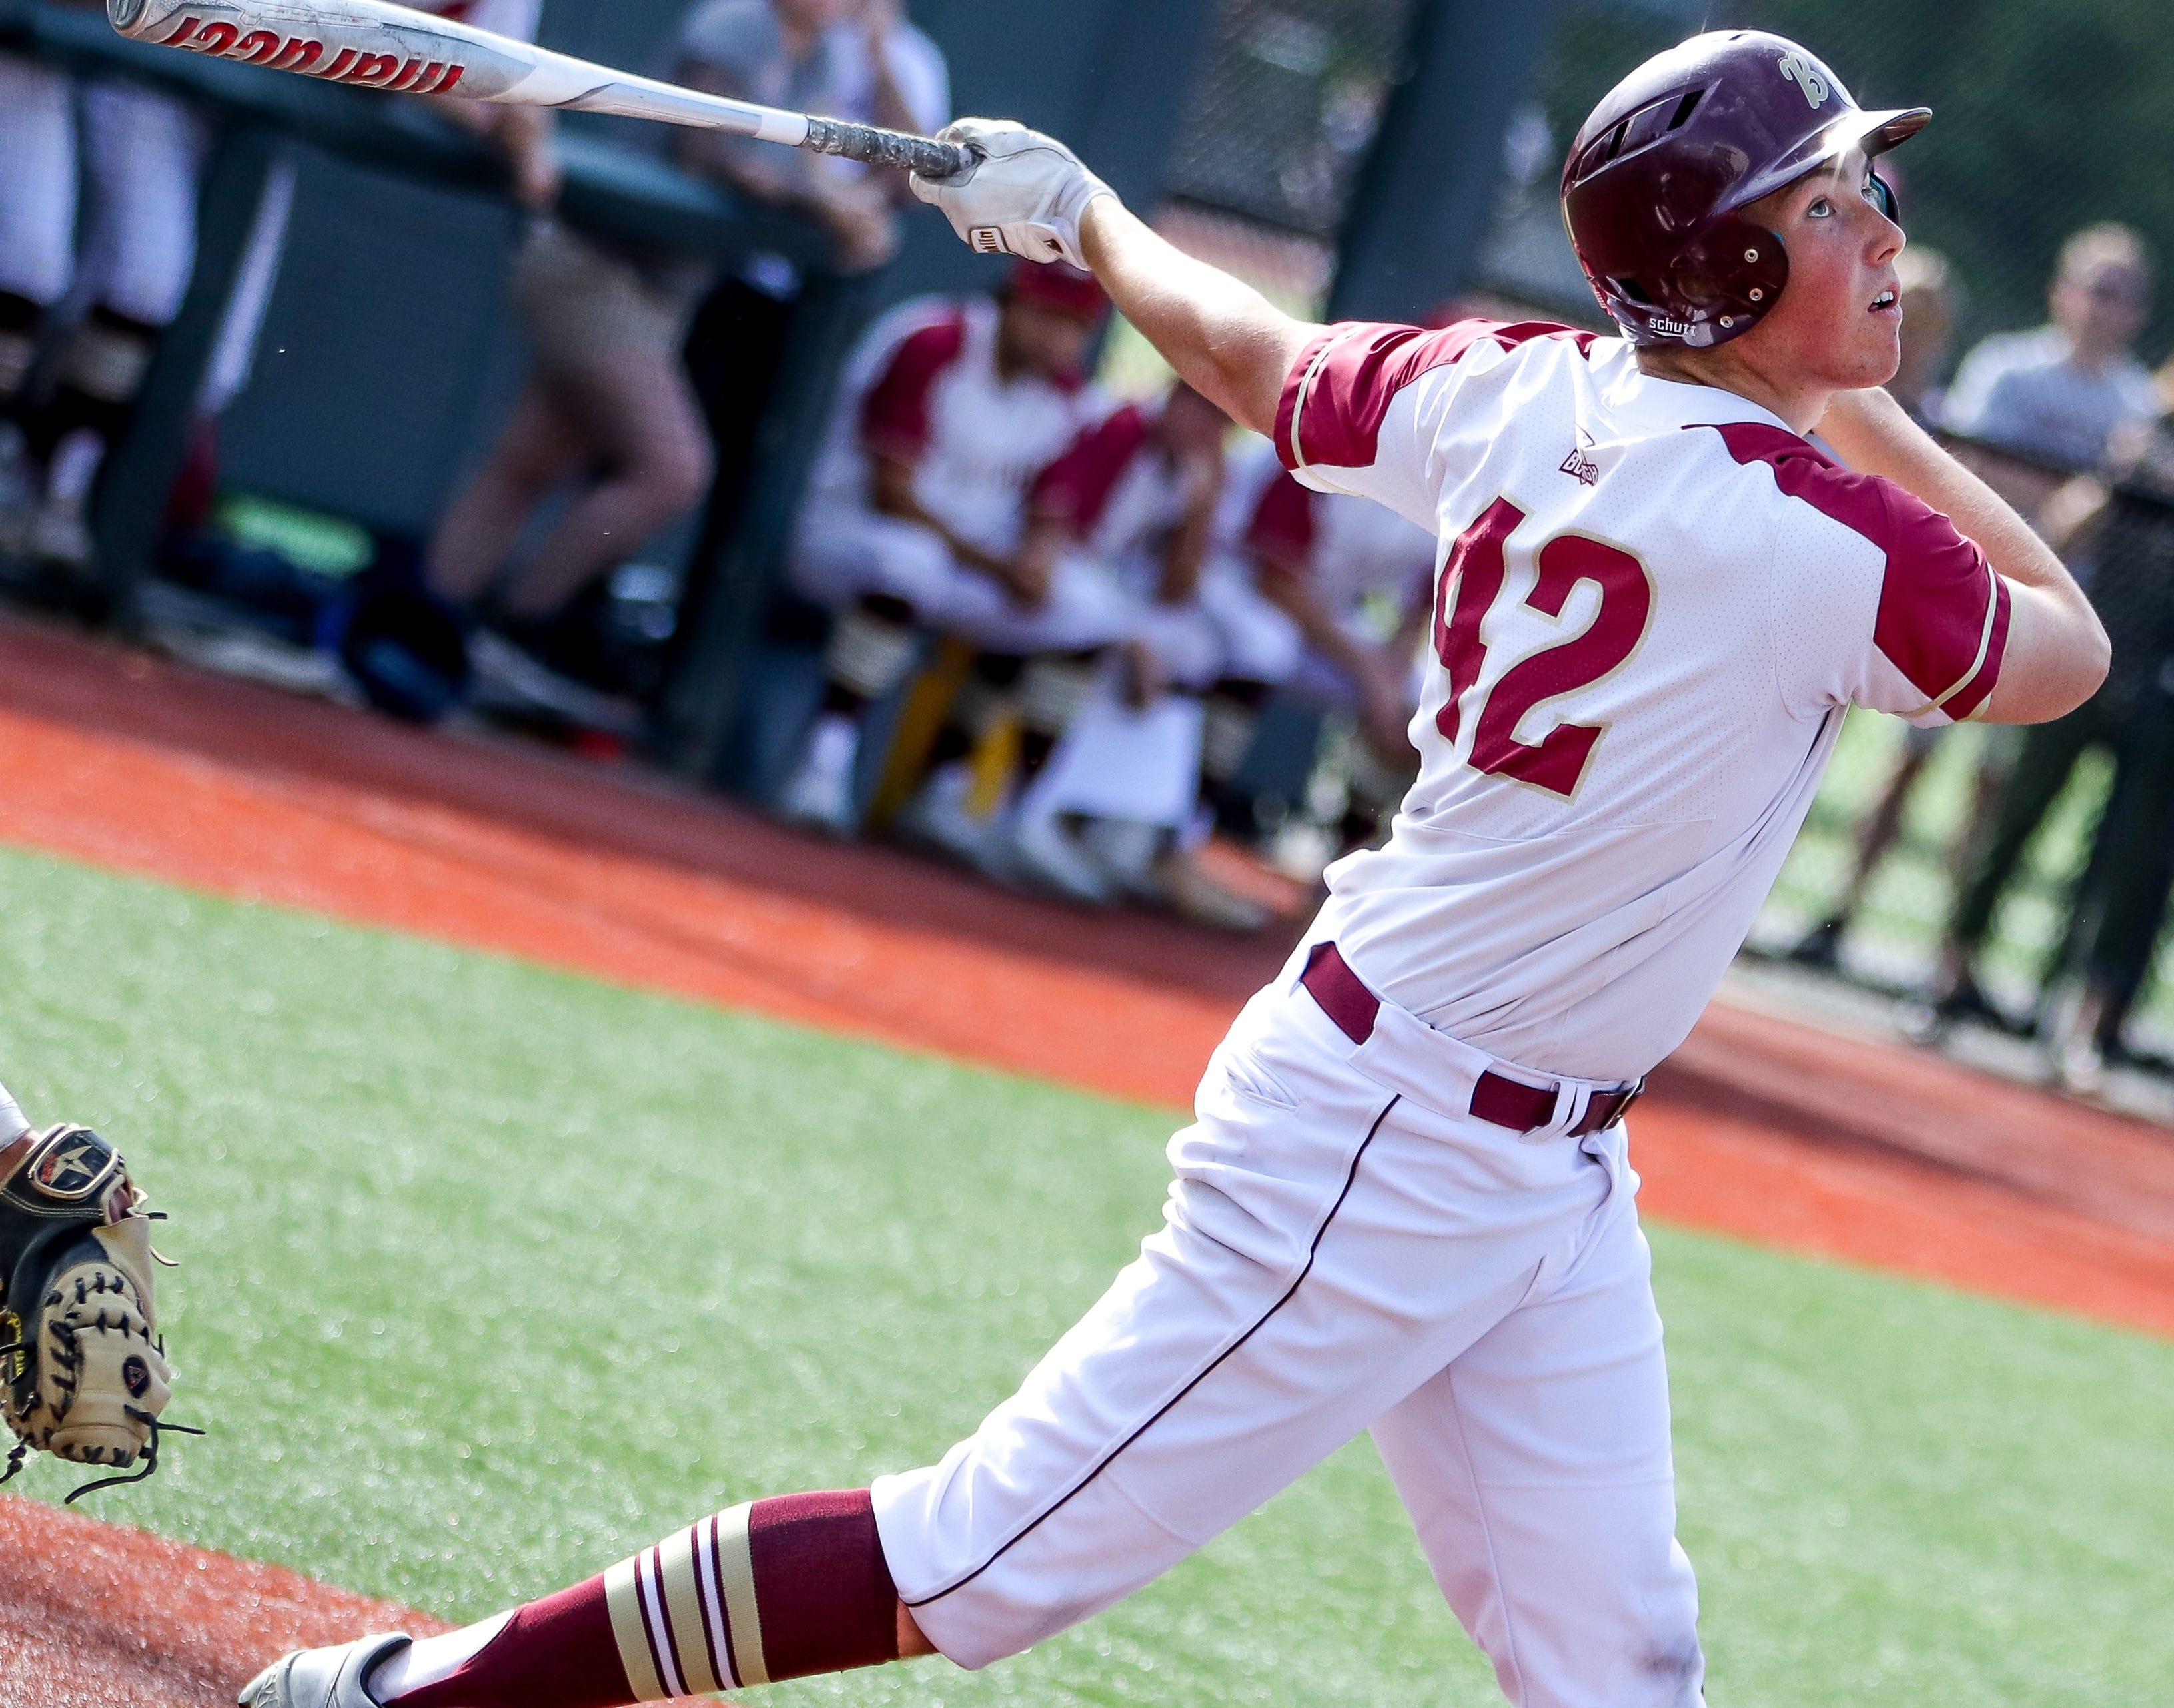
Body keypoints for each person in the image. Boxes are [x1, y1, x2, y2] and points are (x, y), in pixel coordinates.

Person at [241, 31, 2108, 1708]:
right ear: (1716, 265)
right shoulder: (1813, 534)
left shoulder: (1521, 388)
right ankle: (417, 1694)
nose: (1883, 228)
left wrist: (1088, 221)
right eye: (1830, 202)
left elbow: (1251, 360)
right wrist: (1853, 404)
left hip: (1530, 1153)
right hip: (1393, 1142)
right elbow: (2065, 645)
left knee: (1614, 1659)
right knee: (975, 1560)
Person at [427, 0, 887, 705]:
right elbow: (709, 153)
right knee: (673, 469)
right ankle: (519, 621)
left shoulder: (824, 56)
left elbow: (800, 166)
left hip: (663, 288)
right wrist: (818, 202)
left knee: (527, 465)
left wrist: (847, 204)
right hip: (593, 263)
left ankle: (425, 622)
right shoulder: (735, 26)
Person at [778, 258, 1131, 888]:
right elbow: (892, 494)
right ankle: (822, 766)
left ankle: (959, 793)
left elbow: (1052, 506)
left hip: (964, 564)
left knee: (1087, 610)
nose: (1061, 339)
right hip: (847, 534)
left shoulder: (1066, 393)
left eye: (1076, 326)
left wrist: (1037, 559)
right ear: (1013, 302)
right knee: (908, 560)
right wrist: (999, 566)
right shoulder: (935, 340)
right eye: (1050, 317)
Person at [1783, 244, 1967, 969]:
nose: (1912, 335)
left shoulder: (1941, 426)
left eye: (1929, 324)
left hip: (1886, 618)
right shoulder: (1817, 389)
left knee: (1894, 770)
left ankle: (1838, 913)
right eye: (1903, 313)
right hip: (1797, 598)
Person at [1221, 436, 1436, 856]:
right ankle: (1209, 805)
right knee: (1265, 646)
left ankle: (1356, 850)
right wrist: (1370, 675)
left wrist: (1389, 683)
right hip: (1237, 590)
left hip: (1325, 621)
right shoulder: (1323, 446)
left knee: (1424, 706)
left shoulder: (1444, 497)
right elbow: (1275, 583)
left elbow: (1416, 616)